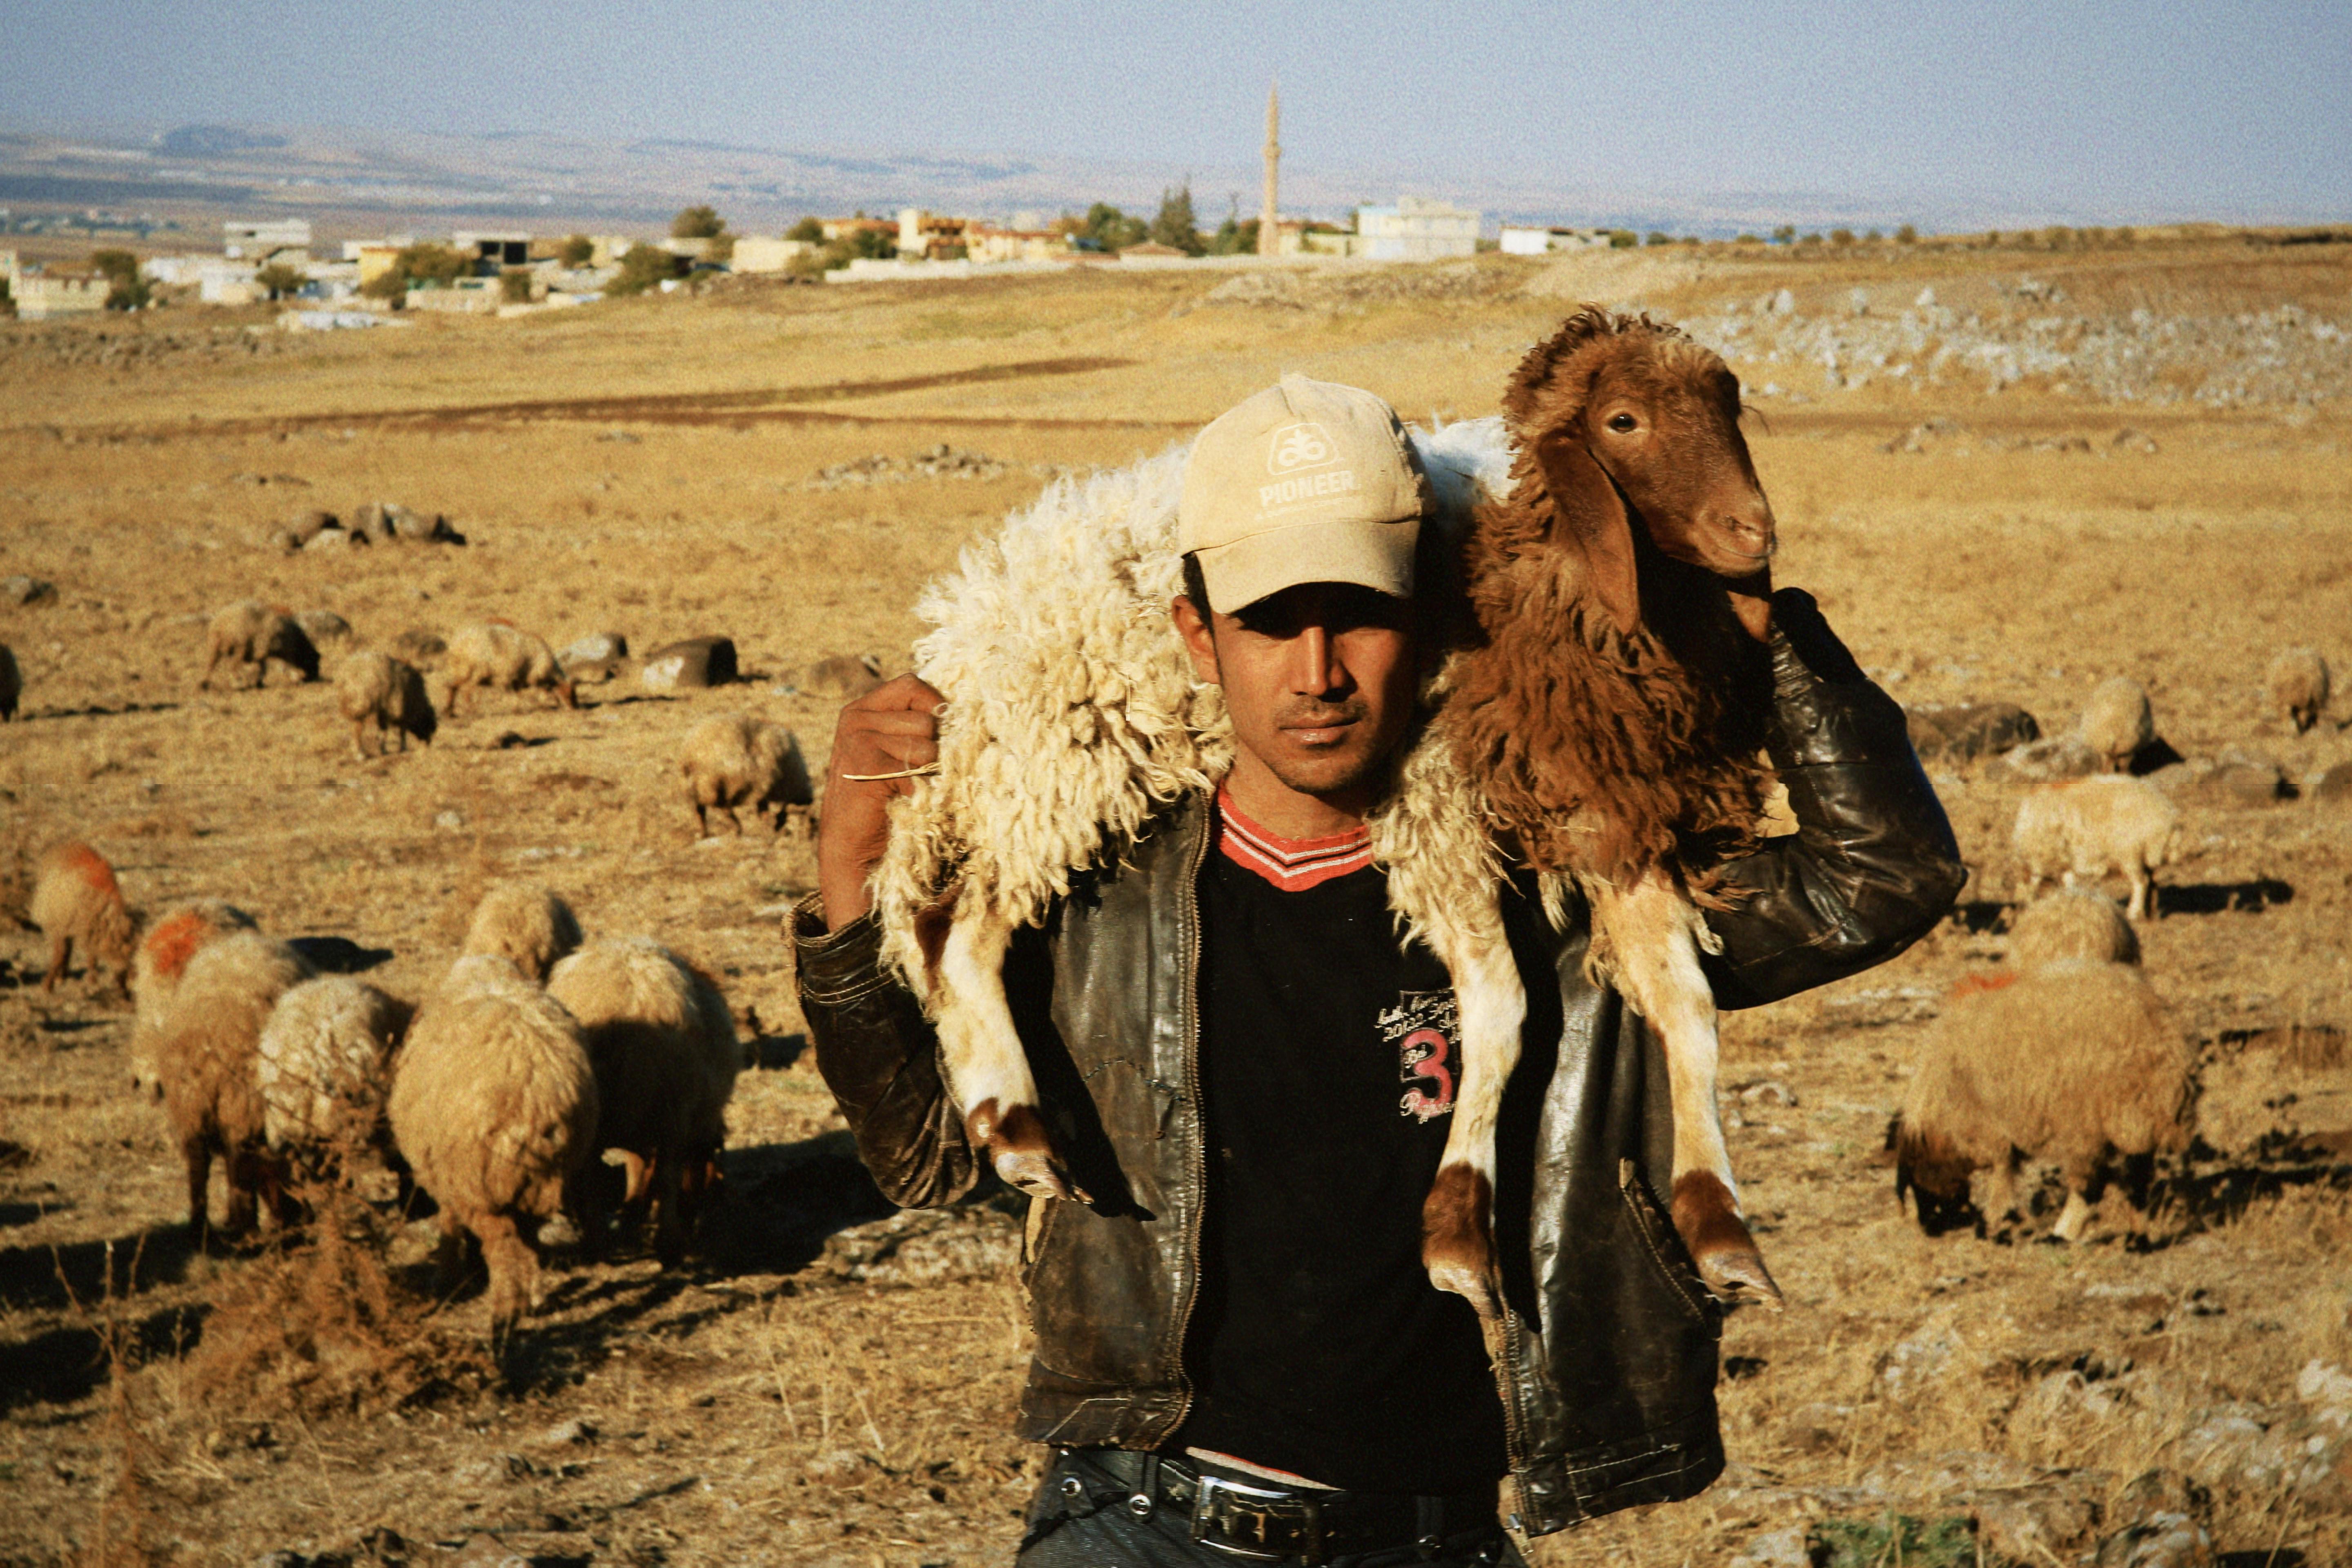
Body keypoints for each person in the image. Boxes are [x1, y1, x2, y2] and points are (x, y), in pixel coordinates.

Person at [793, 376, 1965, 1564]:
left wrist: (1740, 613)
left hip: (1434, 1536)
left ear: (1439, 616)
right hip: (1140, 1525)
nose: (1318, 674)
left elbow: (1881, 876)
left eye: (1360, 615)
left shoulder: (1557, 893)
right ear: (1196, 636)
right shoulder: (1094, 889)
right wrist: (848, 865)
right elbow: (925, 1159)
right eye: (1269, 623)